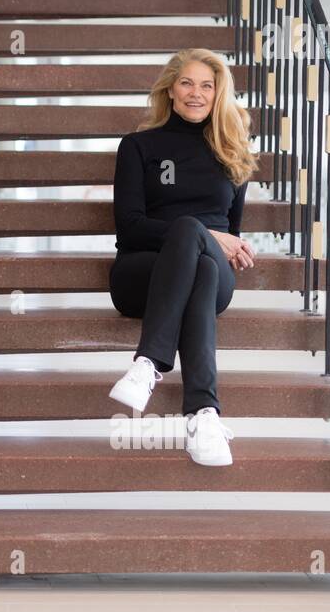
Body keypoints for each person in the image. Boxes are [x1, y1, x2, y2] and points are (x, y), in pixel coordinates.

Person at [107, 48, 258, 466]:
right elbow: (130, 226)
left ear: (218, 93)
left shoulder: (232, 153)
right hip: (142, 270)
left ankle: (148, 365)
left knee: (205, 261)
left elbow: (232, 234)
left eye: (207, 85)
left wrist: (219, 239)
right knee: (198, 251)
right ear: (170, 90)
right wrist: (206, 234)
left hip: (211, 273)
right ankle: (203, 415)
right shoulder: (138, 147)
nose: (197, 93)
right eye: (187, 83)